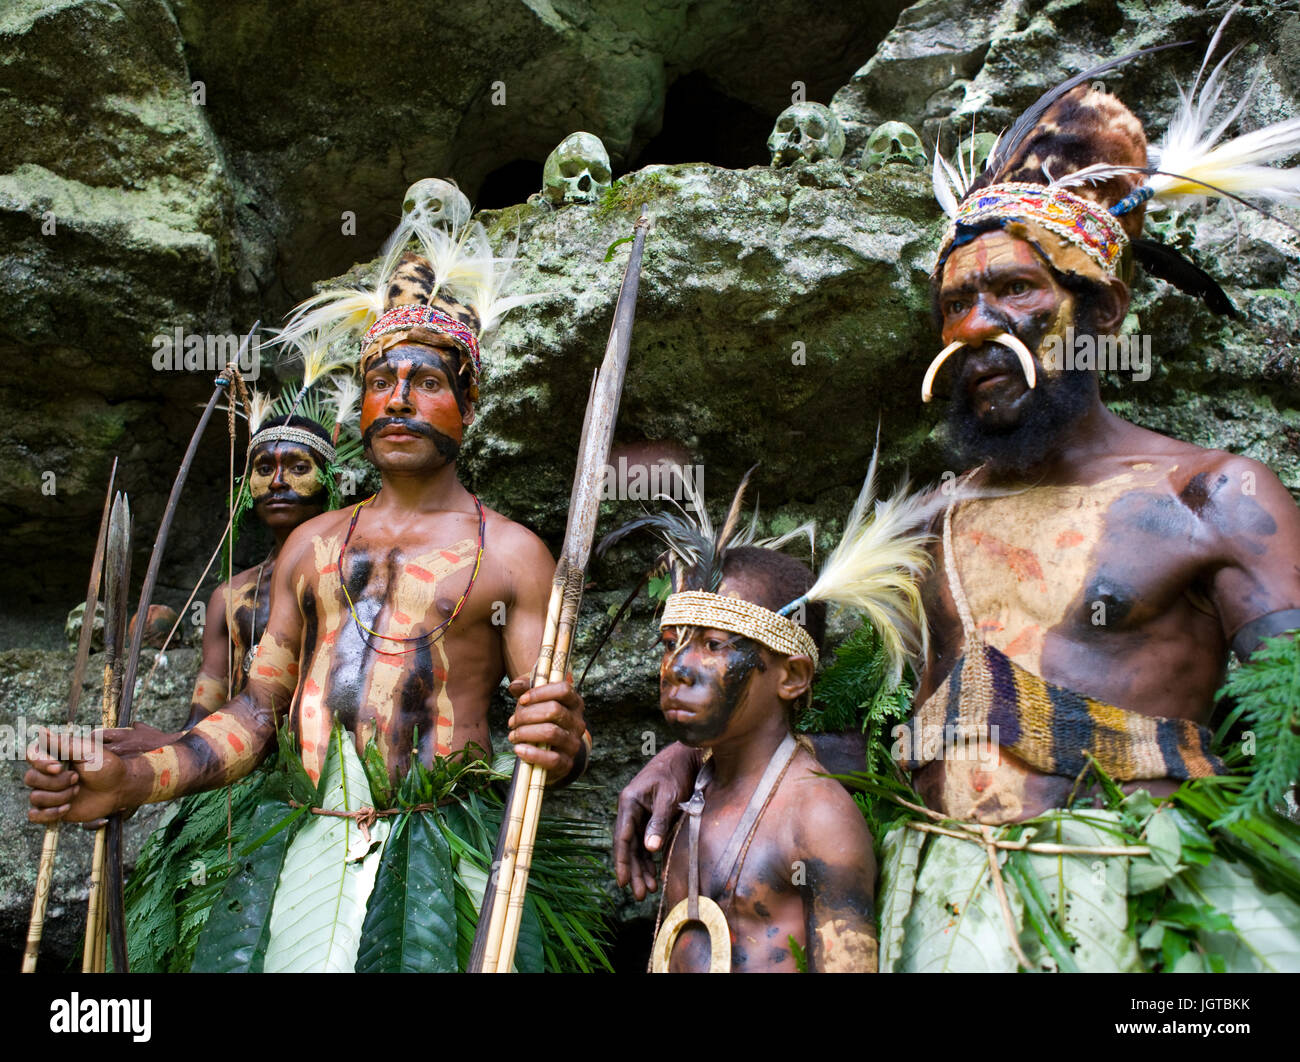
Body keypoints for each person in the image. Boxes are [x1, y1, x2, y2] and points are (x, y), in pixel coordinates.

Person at [618, 26, 1300, 972]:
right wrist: (695, 759)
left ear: (1103, 310)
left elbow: (1290, 732)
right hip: (939, 919)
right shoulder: (927, 526)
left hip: (1149, 917)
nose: (975, 326)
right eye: (953, 304)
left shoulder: (1213, 495)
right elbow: (835, 725)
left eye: (1014, 289)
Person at [27, 203, 603, 971]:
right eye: (378, 379)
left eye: (427, 380)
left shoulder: (517, 557)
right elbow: (257, 711)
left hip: (444, 848)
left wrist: (564, 742)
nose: (398, 398)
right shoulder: (311, 546)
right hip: (302, 840)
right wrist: (136, 778)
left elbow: (553, 736)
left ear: (470, 405)